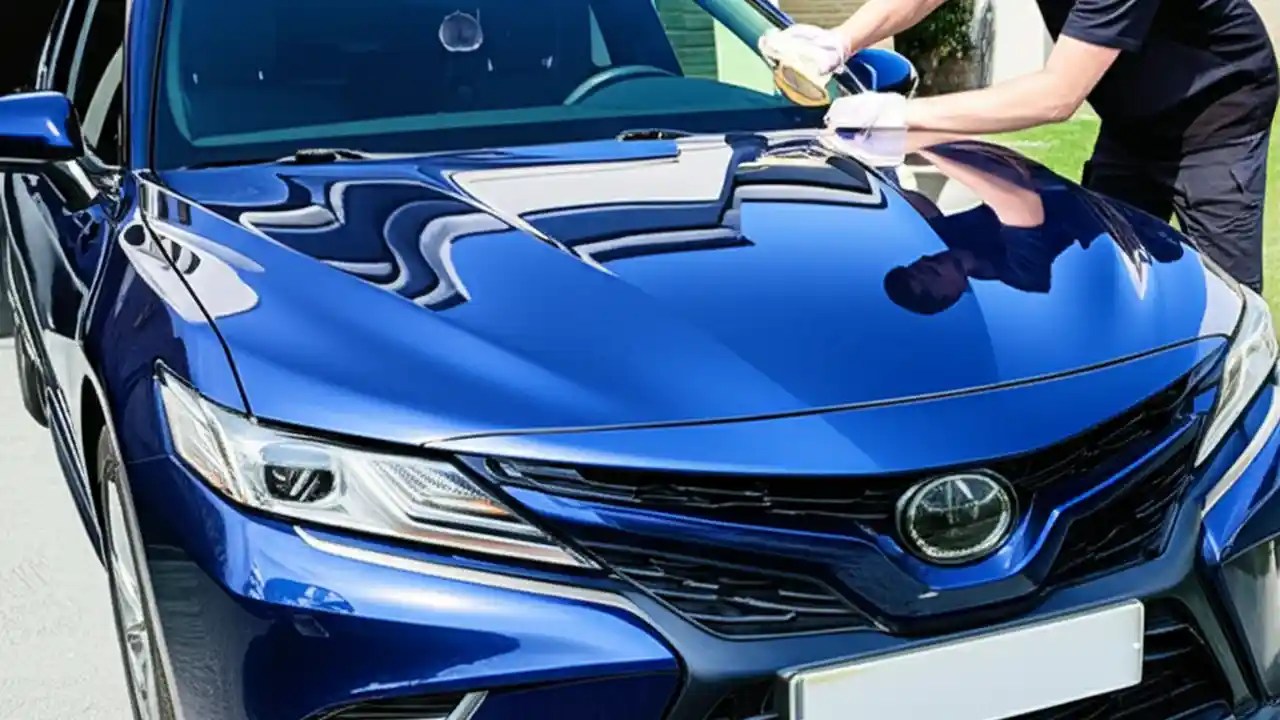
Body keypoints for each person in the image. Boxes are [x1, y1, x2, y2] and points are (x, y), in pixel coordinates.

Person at [760, 0, 1278, 292]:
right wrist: (841, 40)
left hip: (1218, 114)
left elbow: (1057, 96)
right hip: (1131, 113)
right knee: (1111, 269)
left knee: (1226, 290)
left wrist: (902, 115)